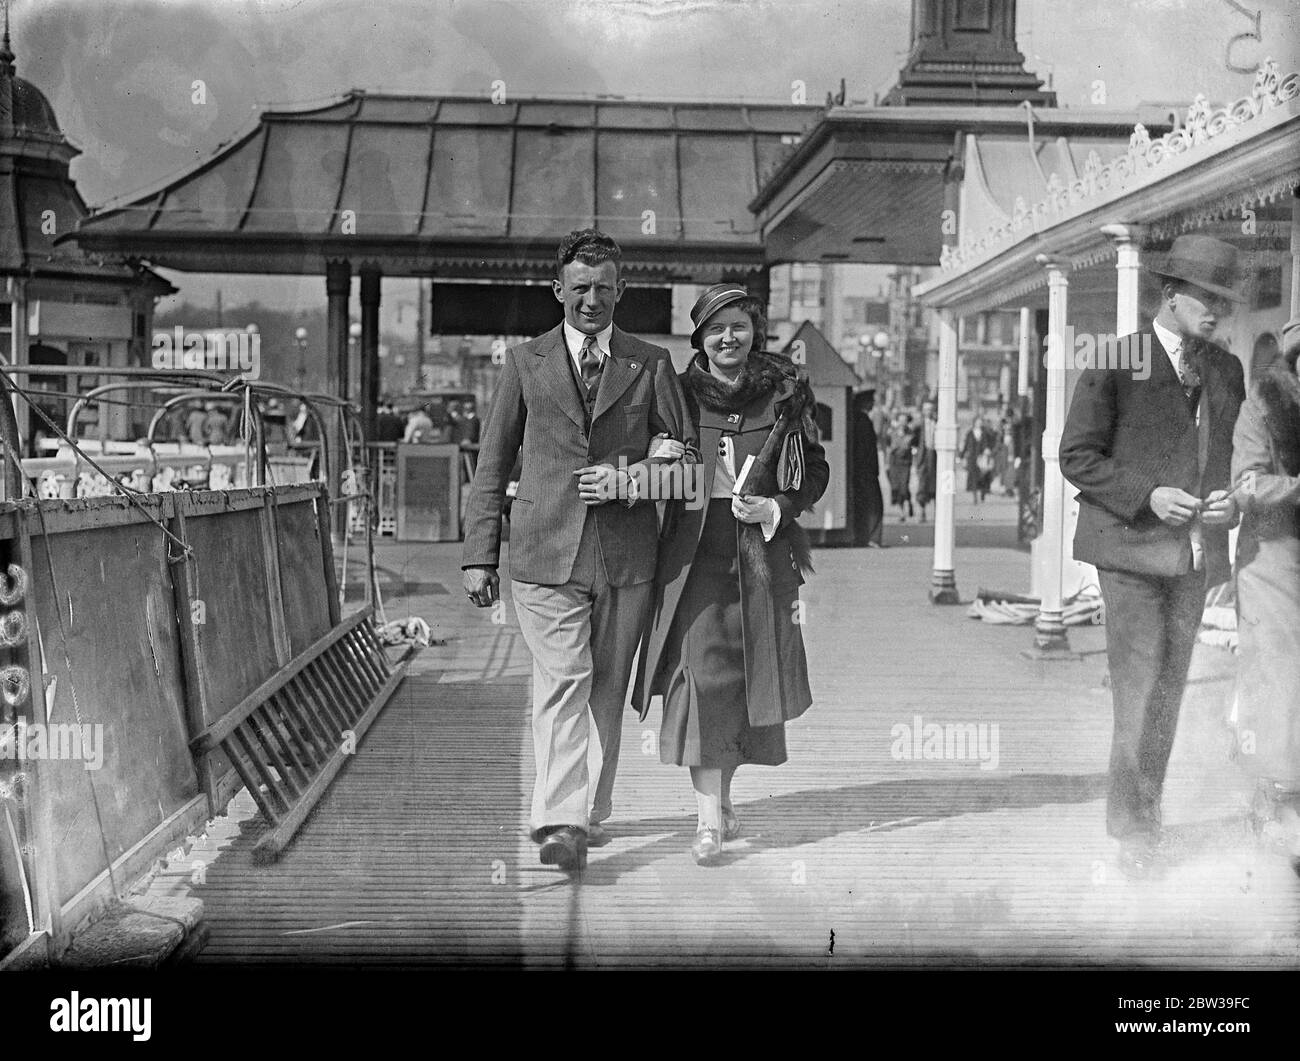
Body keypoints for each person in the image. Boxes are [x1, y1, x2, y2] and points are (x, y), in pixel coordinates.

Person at [461, 229, 694, 873]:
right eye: (581, 287)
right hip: (544, 554)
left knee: (607, 688)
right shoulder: (524, 363)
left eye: (605, 288)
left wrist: (633, 479)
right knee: (565, 678)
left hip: (626, 558)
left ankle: (587, 810)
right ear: (558, 289)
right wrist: (479, 554)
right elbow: (492, 462)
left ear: (622, 290)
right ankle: (562, 819)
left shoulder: (651, 364)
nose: (593, 300)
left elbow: (688, 468)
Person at [1060, 232, 1246, 878]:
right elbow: (1076, 455)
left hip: (1192, 556)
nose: (1218, 311)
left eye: (1224, 300)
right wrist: (1149, 495)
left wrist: (1230, 502)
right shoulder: (1117, 360)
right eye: (1205, 297)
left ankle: (1148, 812)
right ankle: (1133, 832)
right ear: (1169, 294)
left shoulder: (1226, 370)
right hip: (1129, 549)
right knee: (1138, 690)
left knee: (1169, 691)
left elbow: (1231, 459)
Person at [633, 284, 828, 865]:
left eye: (738, 326)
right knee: (698, 679)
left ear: (754, 331)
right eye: (715, 329)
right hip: (692, 558)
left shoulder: (787, 392)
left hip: (760, 556)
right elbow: (644, 462)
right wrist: (658, 458)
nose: (728, 338)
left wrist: (778, 508)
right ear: (698, 337)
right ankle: (707, 822)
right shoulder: (674, 393)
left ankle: (720, 802)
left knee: (745, 684)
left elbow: (814, 470)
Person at [1231, 316, 1300, 876]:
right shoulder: (1263, 406)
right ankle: (1276, 800)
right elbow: (1246, 485)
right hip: (1274, 558)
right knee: (1282, 673)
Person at [851, 389, 884, 546]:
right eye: (871, 401)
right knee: (874, 505)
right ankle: (872, 538)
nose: (872, 404)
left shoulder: (856, 419)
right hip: (867, 471)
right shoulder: (864, 421)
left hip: (860, 471)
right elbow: (867, 449)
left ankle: (865, 537)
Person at [886, 413, 915, 521]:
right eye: (900, 420)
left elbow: (909, 447)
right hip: (894, 463)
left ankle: (909, 501)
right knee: (896, 488)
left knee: (904, 487)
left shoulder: (911, 434)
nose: (902, 423)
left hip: (905, 464)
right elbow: (888, 448)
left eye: (905, 420)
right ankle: (901, 512)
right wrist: (887, 464)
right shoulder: (891, 433)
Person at [960, 416, 995, 504]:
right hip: (972, 458)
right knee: (973, 477)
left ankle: (983, 493)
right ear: (974, 422)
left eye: (980, 422)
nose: (979, 423)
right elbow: (966, 445)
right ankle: (975, 496)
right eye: (978, 422)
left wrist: (987, 450)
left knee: (982, 477)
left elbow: (988, 444)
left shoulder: (984, 433)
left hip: (982, 457)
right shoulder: (970, 433)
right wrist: (962, 456)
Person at [914, 398, 938, 523]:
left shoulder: (938, 423)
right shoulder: (919, 425)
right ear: (923, 411)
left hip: (935, 457)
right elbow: (913, 439)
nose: (928, 412)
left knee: (935, 485)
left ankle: (937, 513)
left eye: (930, 409)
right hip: (923, 457)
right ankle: (922, 512)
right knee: (922, 485)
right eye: (926, 410)